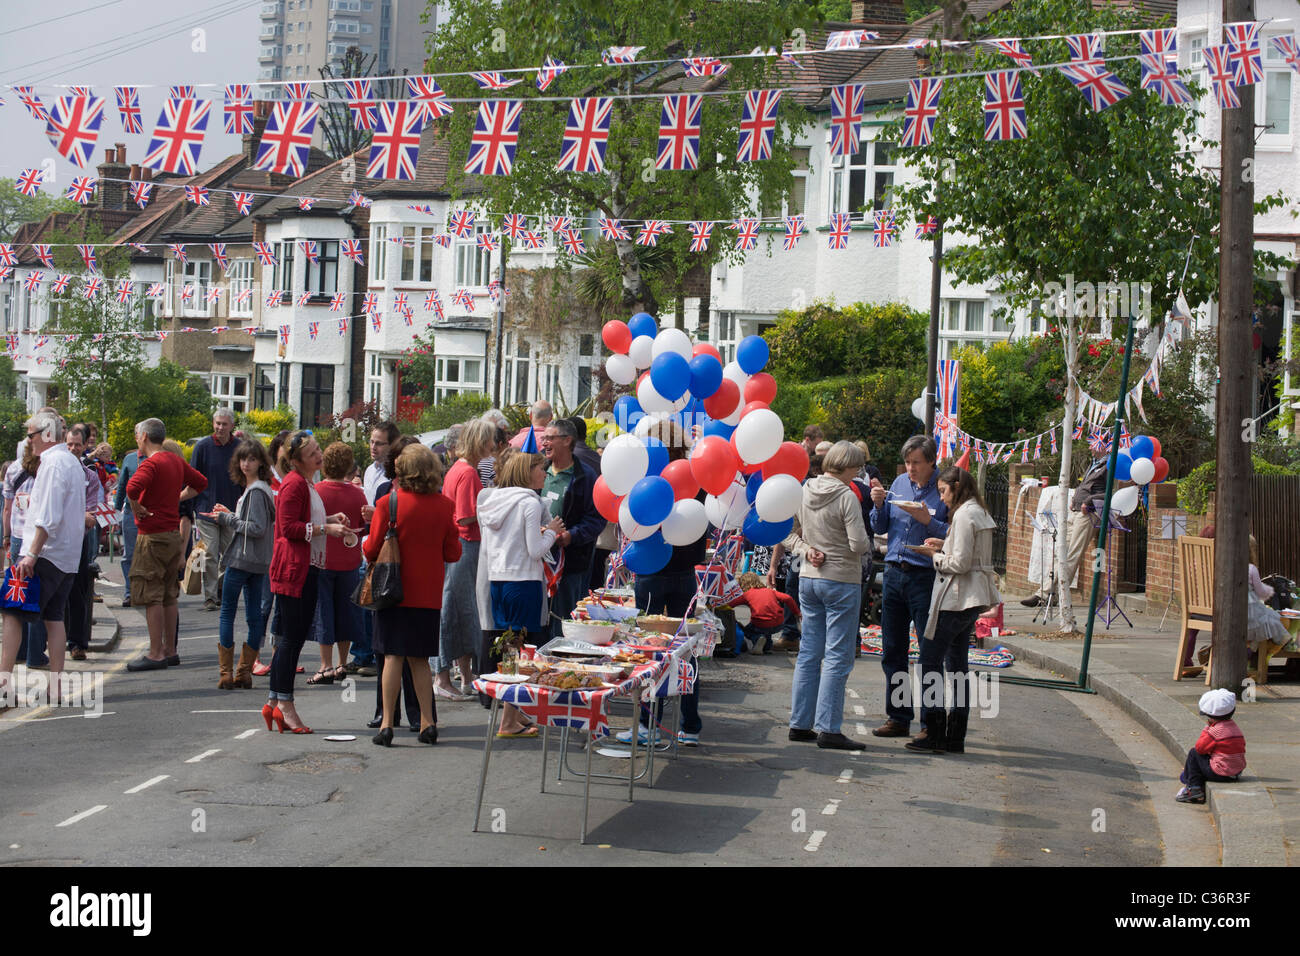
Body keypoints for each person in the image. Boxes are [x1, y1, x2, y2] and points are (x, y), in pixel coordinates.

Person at [365, 444, 461, 747]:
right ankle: (428, 723)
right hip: (428, 595)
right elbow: (453, 552)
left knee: (392, 656)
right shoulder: (444, 505)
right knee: (419, 660)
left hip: (393, 591)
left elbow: (370, 549)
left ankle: (387, 724)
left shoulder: (387, 503)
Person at [904, 466, 1000, 754]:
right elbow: (969, 553)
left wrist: (933, 555)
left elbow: (958, 565)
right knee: (957, 667)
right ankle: (955, 736)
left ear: (956, 488)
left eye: (944, 491)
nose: (941, 498)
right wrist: (945, 544)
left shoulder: (963, 514)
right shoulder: (977, 511)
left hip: (958, 598)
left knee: (929, 663)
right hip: (972, 598)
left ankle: (933, 733)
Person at [784, 440, 872, 750]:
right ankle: (829, 728)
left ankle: (799, 722)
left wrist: (807, 549)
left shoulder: (804, 490)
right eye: (856, 467)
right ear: (847, 467)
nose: (858, 472)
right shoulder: (847, 496)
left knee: (809, 652)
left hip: (809, 576)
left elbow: (788, 532)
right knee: (838, 655)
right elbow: (858, 544)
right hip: (841, 580)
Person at [623, 421, 708, 745]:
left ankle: (648, 725)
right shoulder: (695, 477)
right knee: (686, 651)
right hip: (685, 572)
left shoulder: (646, 478)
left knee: (649, 651)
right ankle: (690, 726)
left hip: (651, 574)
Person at [262, 431, 351, 734]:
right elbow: (288, 528)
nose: (319, 455)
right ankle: (285, 705)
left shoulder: (304, 483)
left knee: (291, 638)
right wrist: (326, 528)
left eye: (318, 449)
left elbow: (304, 518)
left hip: (303, 567)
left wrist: (330, 518)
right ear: (298, 460)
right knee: (291, 639)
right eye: (313, 452)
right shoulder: (295, 483)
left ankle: (274, 702)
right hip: (295, 569)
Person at [476, 450, 563, 737]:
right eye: (541, 468)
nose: (545, 473)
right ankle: (509, 719)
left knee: (508, 649)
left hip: (498, 581)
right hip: (523, 582)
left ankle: (511, 712)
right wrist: (551, 531)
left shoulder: (493, 499)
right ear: (527, 472)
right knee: (519, 651)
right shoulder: (530, 502)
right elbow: (535, 550)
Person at [868, 435, 950, 738]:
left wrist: (929, 520)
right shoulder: (900, 483)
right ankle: (899, 717)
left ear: (931, 462)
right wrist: (877, 506)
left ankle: (931, 723)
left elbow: (958, 533)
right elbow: (879, 526)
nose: (910, 468)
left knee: (929, 653)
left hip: (925, 577)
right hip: (893, 573)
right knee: (892, 650)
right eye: (907, 462)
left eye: (916, 462)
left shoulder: (944, 488)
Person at [0, 412, 86, 698]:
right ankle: (57, 687)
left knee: (11, 615)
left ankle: (3, 685)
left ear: (47, 434)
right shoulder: (71, 462)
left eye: (32, 434)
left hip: (45, 554)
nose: (29, 440)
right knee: (54, 618)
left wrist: (31, 555)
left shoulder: (52, 464)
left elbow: (48, 516)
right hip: (66, 556)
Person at [122, 419, 208, 670]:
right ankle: (170, 650)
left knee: (152, 595)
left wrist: (137, 506)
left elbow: (131, 487)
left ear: (145, 436)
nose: (137, 439)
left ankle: (155, 652)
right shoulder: (175, 460)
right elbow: (200, 483)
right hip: (172, 534)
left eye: (137, 435)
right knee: (170, 594)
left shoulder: (152, 463)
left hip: (152, 535)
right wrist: (178, 496)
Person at [204, 439, 276, 690]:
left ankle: (227, 673)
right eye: (243, 459)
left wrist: (226, 519)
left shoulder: (255, 491)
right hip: (258, 562)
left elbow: (256, 528)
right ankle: (243, 672)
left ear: (260, 463)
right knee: (254, 616)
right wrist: (232, 515)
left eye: (252, 459)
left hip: (242, 560)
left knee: (228, 613)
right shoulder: (261, 489)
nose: (246, 463)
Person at [434, 419, 494, 701]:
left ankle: (464, 676)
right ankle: (444, 676)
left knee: (460, 608)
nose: (493, 446)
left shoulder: (458, 468)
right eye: (489, 441)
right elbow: (465, 515)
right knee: (459, 609)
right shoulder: (468, 472)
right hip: (466, 544)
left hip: (461, 544)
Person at [367, 434, 424, 730]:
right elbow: (371, 541)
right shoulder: (383, 490)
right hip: (387, 578)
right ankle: (386, 712)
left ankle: (415, 714)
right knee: (386, 652)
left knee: (408, 653)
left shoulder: (427, 496)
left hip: (408, 579)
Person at [308, 442, 367, 685]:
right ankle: (343, 662)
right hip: (350, 560)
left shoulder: (317, 490)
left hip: (323, 560)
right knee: (346, 613)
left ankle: (326, 664)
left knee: (324, 612)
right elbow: (363, 527)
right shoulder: (357, 493)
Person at [539, 417, 604, 638]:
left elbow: (596, 519)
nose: (544, 443)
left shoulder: (585, 477)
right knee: (539, 621)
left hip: (571, 564)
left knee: (563, 621)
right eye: (543, 438)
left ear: (567, 440)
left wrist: (570, 536)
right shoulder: (538, 471)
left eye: (550, 438)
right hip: (537, 560)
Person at [1021, 453, 1108, 608]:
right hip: (1075, 509)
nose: (1090, 447)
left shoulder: (1109, 464)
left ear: (1102, 445)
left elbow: (1109, 492)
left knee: (1072, 555)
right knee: (1060, 553)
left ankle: (1045, 593)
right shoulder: (1094, 462)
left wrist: (1087, 501)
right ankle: (1052, 595)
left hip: (1088, 512)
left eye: (1093, 443)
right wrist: (1075, 499)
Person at [191, 409, 241, 612]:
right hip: (206, 509)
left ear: (232, 426)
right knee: (211, 553)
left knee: (229, 555)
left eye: (224, 424)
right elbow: (193, 477)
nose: (220, 427)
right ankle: (210, 597)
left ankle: (221, 590)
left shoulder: (239, 448)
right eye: (217, 423)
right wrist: (190, 508)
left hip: (230, 510)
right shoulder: (202, 446)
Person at [3, 443, 47, 668]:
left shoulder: (12, 469)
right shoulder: (48, 468)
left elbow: (8, 509)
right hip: (38, 540)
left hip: (19, 537)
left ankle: (18, 652)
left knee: (16, 597)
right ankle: (35, 654)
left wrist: (6, 536)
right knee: (36, 597)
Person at [63, 424, 103, 662]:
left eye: (77, 445)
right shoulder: (53, 471)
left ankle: (77, 643)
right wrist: (78, 515)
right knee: (55, 592)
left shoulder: (90, 476)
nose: (73, 448)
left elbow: (90, 517)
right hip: (54, 543)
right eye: (69, 444)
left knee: (77, 591)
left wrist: (75, 516)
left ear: (85, 445)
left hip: (78, 542)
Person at [1176, 689, 1246, 804]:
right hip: (1236, 772)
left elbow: (1200, 748)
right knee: (1208, 759)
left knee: (1194, 753)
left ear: (1210, 716)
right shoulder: (1235, 728)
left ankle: (1194, 788)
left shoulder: (1215, 731)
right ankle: (1192, 778)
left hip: (1221, 773)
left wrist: (1207, 729)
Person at [733, 571, 799, 656]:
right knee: (767, 629)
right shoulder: (770, 591)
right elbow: (788, 598)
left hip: (760, 623)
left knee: (748, 630)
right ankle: (767, 648)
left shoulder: (746, 595)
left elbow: (731, 604)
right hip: (778, 623)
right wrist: (796, 612)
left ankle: (757, 639)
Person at [114, 441, 140, 608]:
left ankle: (146, 591)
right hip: (131, 512)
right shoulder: (130, 459)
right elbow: (122, 486)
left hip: (153, 512)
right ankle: (130, 592)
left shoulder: (158, 457)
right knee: (129, 554)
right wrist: (115, 514)